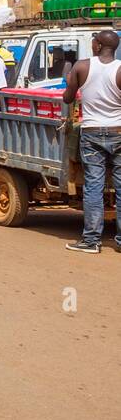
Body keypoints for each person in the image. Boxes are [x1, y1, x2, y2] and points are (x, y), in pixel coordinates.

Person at [62, 29, 121, 254]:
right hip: (118, 131)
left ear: (97, 46)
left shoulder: (82, 66)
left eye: (94, 41)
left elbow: (68, 97)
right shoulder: (119, 69)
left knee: (93, 187)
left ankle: (91, 240)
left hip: (92, 132)